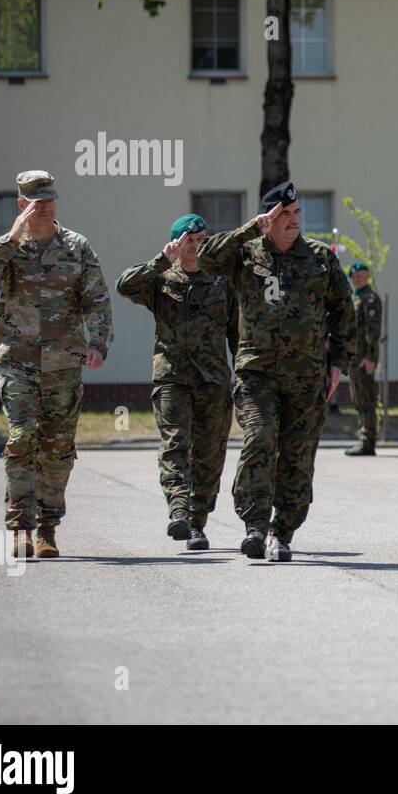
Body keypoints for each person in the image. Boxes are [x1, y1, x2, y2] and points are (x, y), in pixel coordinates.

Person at [196, 181, 357, 562]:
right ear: (268, 218)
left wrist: (338, 365)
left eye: (297, 212)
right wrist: (252, 228)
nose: (293, 220)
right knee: (260, 438)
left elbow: (344, 312)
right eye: (284, 214)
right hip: (257, 375)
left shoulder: (320, 258)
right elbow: (205, 257)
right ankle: (254, 525)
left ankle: (281, 532)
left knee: (298, 456)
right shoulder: (245, 255)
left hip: (308, 377)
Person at [0, 171, 111, 560]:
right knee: (21, 440)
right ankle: (20, 528)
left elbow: (97, 300)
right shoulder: (10, 247)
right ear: (22, 205)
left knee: (58, 448)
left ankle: (48, 527)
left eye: (50, 199)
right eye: (37, 201)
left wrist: (98, 344)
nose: (46, 206)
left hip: (64, 364)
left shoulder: (77, 247)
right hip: (18, 360)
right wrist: (11, 237)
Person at [117, 213, 237, 550]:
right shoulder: (161, 279)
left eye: (202, 240)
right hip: (172, 378)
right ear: (177, 243)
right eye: (190, 240)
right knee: (175, 444)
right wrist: (162, 259)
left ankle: (198, 523)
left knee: (209, 454)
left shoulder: (221, 281)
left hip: (214, 381)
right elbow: (125, 285)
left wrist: (242, 375)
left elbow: (237, 333)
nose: (197, 246)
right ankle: (179, 510)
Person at [344, 261, 382, 456]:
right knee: (358, 398)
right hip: (354, 357)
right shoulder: (355, 297)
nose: (357, 279)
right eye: (354, 276)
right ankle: (364, 436)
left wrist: (371, 357)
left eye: (361, 275)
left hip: (363, 358)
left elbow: (372, 332)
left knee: (366, 398)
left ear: (367, 276)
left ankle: (368, 440)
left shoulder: (369, 299)